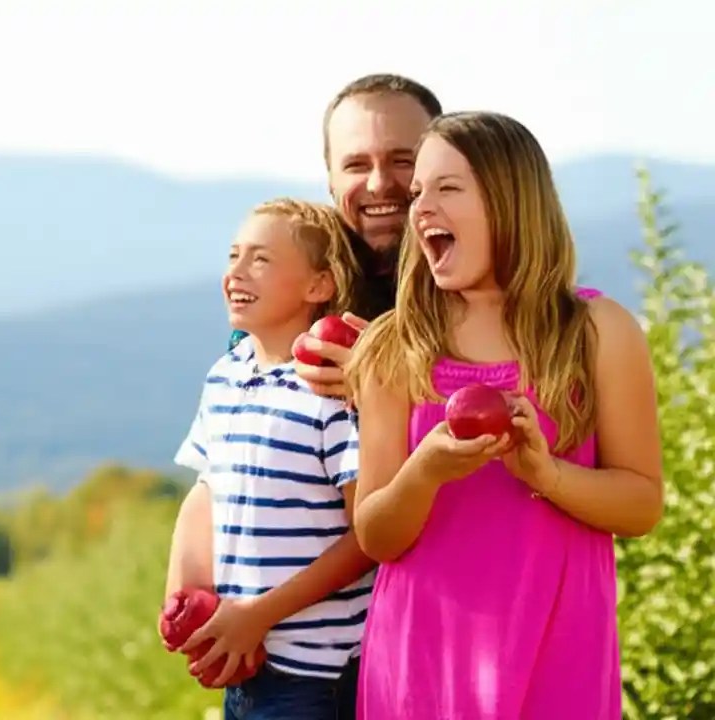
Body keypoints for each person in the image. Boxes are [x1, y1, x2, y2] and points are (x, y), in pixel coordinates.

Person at [343, 111, 664, 718]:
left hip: (557, 655)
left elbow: (642, 504)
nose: (420, 207)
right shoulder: (395, 346)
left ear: (510, 200)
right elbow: (376, 535)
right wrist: (425, 472)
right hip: (422, 668)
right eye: (419, 193)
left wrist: (547, 476)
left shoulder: (599, 333)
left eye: (448, 188)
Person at [165, 199, 377, 719]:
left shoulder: (331, 388)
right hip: (244, 662)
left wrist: (260, 615)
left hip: (314, 677)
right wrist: (181, 595)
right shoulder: (225, 374)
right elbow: (206, 490)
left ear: (318, 286)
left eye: (260, 260)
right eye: (234, 255)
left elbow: (367, 539)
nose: (235, 272)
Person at [230, 73, 442, 400]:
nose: (378, 184)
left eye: (403, 161)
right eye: (356, 165)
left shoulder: (494, 284)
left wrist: (392, 398)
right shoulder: (295, 284)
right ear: (331, 179)